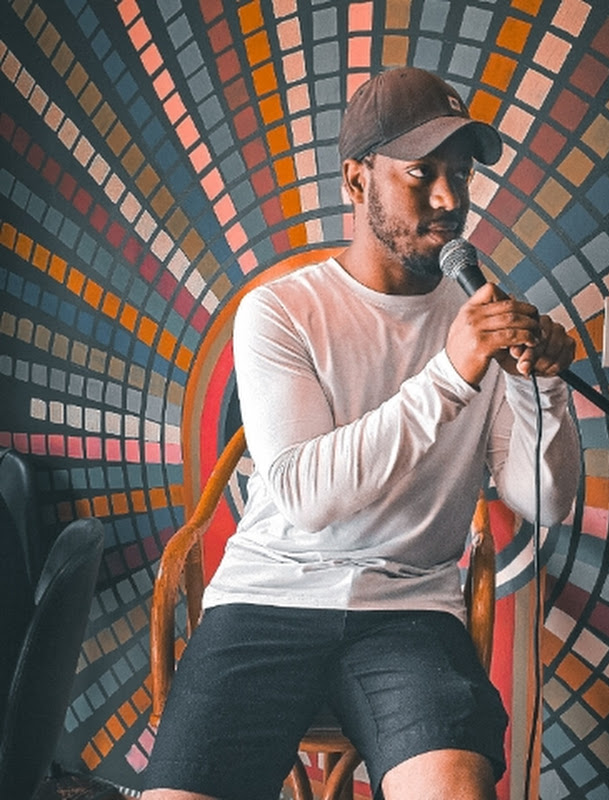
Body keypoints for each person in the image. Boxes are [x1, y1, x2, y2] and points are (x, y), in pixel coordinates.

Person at [142, 67, 580, 800]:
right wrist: (451, 374)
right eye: (421, 173)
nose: (449, 199)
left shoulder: (476, 317)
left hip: (408, 612)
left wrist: (546, 388)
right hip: (267, 602)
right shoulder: (281, 311)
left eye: (460, 174)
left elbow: (545, 500)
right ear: (356, 180)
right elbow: (306, 496)